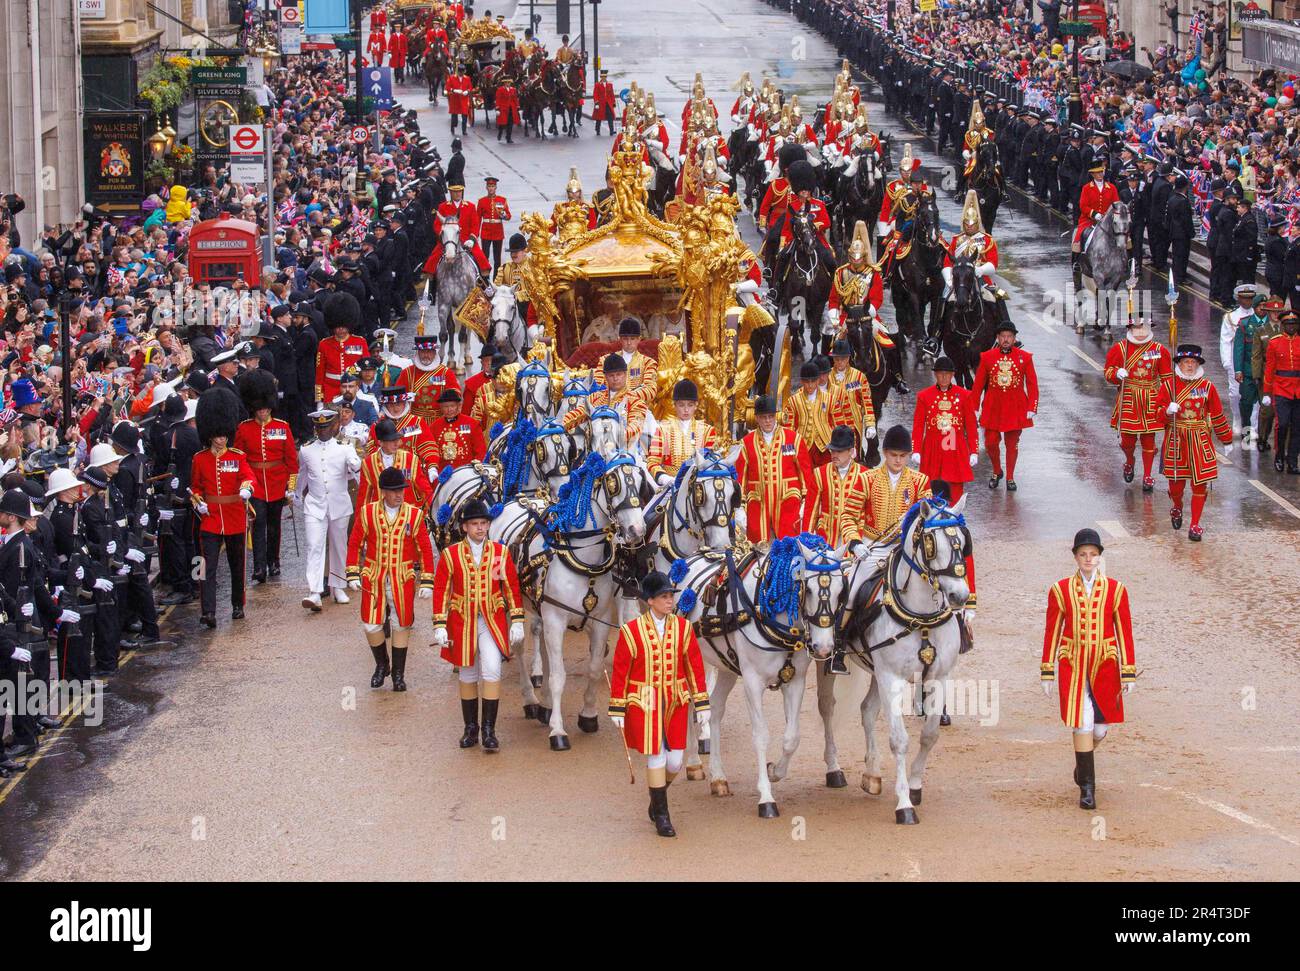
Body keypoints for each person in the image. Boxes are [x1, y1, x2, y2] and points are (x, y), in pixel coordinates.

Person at [607, 570, 709, 838]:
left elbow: (694, 667)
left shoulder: (684, 628)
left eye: (670, 596)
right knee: (656, 755)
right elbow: (621, 671)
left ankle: (656, 798)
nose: (669, 601)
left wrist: (702, 703)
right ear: (650, 600)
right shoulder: (631, 631)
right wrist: (617, 707)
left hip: (675, 698)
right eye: (663, 596)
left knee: (675, 761)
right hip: (645, 701)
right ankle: (663, 816)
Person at [1041, 528, 1136, 811]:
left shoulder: (1117, 590)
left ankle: (1082, 766)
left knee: (1100, 729)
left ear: (1099, 558)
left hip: (1105, 664)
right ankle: (1087, 788)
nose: (1088, 559)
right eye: (1083, 554)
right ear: (1075, 557)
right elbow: (1052, 630)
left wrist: (1128, 670)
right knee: (1081, 722)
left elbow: (1124, 632)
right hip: (1072, 663)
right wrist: (1047, 669)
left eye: (1093, 555)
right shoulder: (1059, 589)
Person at [432, 499, 525, 753]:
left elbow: (510, 587)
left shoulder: (499, 553)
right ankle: (470, 728)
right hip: (461, 622)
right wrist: (439, 624)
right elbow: (442, 590)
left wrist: (516, 619)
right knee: (467, 674)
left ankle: (489, 730)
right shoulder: (451, 554)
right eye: (475, 524)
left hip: (491, 621)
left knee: (493, 670)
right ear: (465, 527)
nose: (481, 528)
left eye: (484, 523)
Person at [346, 466, 436, 692]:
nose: (399, 494)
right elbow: (355, 543)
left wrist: (426, 579)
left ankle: (398, 674)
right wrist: (352, 572)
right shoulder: (368, 513)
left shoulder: (414, 514)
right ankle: (381, 664)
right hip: (374, 575)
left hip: (402, 576)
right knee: (371, 623)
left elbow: (424, 548)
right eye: (394, 491)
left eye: (401, 490)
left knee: (402, 623)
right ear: (383, 491)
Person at [190, 386, 255, 628]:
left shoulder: (237, 456)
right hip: (211, 520)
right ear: (210, 435)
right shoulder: (200, 459)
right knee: (206, 568)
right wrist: (199, 504)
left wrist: (246, 488)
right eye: (218, 435)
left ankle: (238, 604)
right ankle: (208, 611)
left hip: (234, 516)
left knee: (238, 567)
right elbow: (195, 488)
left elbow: (248, 476)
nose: (222, 439)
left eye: (224, 434)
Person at [1155, 344, 1234, 541]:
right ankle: (1177, 506)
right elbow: (1155, 416)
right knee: (1176, 486)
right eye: (1185, 362)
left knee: (1200, 485)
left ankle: (1195, 524)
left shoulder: (1207, 387)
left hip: (1200, 439)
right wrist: (1167, 411)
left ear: (1198, 364)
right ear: (1179, 364)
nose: (1189, 366)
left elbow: (1217, 415)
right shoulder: (1168, 386)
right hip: (1176, 438)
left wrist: (1226, 438)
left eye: (1193, 362)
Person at [234, 369, 298, 584]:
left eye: (265, 409)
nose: (262, 413)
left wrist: (291, 487)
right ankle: (259, 566)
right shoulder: (243, 429)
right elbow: (240, 458)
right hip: (255, 483)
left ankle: (274, 561)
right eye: (259, 409)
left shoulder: (282, 427)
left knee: (274, 525)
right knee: (257, 522)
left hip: (277, 482)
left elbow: (291, 461)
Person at [295, 408, 362, 612]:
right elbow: (302, 475)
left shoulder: (345, 447)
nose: (322, 431)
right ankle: (314, 592)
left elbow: (357, 471)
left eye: (326, 427)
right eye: (319, 427)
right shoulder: (306, 449)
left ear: (334, 426)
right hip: (315, 505)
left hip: (339, 503)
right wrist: (296, 495)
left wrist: (355, 466)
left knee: (339, 545)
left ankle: (338, 586)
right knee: (314, 545)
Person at [1103, 316, 1173, 492]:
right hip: (1129, 397)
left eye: (1144, 329)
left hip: (1150, 398)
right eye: (1137, 329)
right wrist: (1116, 373)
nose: (1141, 333)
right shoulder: (1120, 349)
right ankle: (1129, 460)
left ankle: (1148, 475)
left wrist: (1171, 399)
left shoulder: (1159, 350)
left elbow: (1166, 379)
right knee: (1128, 441)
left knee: (1149, 440)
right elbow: (1108, 372)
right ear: (1130, 329)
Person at [735, 394, 814, 545]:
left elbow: (805, 472)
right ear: (756, 418)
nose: (767, 421)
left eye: (771, 416)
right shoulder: (746, 443)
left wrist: (806, 502)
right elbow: (740, 477)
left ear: (776, 416)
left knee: (790, 545)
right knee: (757, 548)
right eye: (763, 417)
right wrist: (739, 507)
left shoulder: (793, 438)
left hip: (788, 502)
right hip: (758, 503)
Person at [970, 322, 1038, 491]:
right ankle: (996, 470)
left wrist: (1032, 406)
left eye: (1009, 336)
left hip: (1016, 407)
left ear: (1014, 339)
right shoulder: (987, 357)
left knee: (1012, 443)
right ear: (998, 338)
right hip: (993, 406)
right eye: (1003, 336)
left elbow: (1032, 384)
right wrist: (974, 406)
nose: (1006, 340)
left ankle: (1010, 477)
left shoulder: (1025, 357)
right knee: (991, 443)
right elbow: (978, 384)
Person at [912, 357, 978, 503]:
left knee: (955, 491)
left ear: (952, 375)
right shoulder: (924, 396)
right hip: (932, 447)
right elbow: (918, 426)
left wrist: (974, 451)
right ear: (935, 375)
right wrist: (916, 450)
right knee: (929, 490)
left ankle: (953, 520)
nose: (944, 377)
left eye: (947, 374)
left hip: (955, 447)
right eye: (940, 373)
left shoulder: (964, 396)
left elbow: (971, 427)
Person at [862, 424, 932, 542]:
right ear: (885, 452)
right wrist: (855, 542)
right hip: (871, 544)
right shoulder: (867, 479)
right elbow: (850, 515)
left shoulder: (921, 481)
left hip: (905, 545)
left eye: (903, 455)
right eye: (894, 455)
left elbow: (928, 517)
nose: (898, 460)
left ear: (909, 454)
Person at [644, 379, 716, 487]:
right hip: (671, 485)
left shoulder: (707, 431)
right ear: (674, 405)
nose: (686, 410)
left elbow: (711, 462)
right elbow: (652, 461)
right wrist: (665, 479)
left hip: (699, 486)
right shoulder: (663, 430)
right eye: (681, 405)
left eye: (690, 405)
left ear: (696, 405)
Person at [1261, 308, 1300, 474]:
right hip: (1281, 388)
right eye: (1288, 324)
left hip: (1298, 389)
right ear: (1283, 326)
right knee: (1282, 424)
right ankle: (1279, 455)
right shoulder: (1274, 342)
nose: (1291, 327)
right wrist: (1267, 393)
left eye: (1294, 324)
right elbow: (1269, 368)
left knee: (1297, 427)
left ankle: (1292, 461)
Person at [314, 293, 369, 408]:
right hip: (331, 393)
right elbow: (320, 375)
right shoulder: (324, 344)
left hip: (354, 392)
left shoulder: (360, 342)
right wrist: (319, 400)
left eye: (343, 326)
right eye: (337, 326)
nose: (340, 329)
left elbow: (366, 369)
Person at [782, 361, 840, 467]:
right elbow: (788, 429)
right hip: (802, 447)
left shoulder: (830, 398)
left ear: (818, 380)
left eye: (813, 381)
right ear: (801, 381)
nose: (810, 385)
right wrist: (788, 453)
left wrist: (845, 445)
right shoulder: (793, 401)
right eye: (806, 382)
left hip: (825, 447)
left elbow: (839, 424)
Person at [1072, 159, 1118, 292]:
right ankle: (1076, 265)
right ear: (1092, 174)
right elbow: (1083, 205)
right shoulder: (1087, 188)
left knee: (1124, 236)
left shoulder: (1111, 187)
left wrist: (1111, 215)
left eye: (1101, 172)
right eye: (1097, 173)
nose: (1100, 175)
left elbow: (1116, 203)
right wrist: (1094, 214)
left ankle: (1128, 261)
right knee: (1079, 238)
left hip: (1107, 221)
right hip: (1089, 220)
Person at [1219, 284, 1257, 441]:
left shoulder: (1258, 315)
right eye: (1244, 298)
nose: (1247, 302)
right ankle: (1237, 418)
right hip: (1236, 361)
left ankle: (1252, 426)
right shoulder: (1231, 317)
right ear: (1238, 298)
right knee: (1235, 394)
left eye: (1250, 299)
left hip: (1253, 360)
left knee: (1255, 396)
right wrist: (1228, 363)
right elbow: (1225, 340)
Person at [827, 338, 877, 454]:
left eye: (843, 359)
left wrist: (870, 424)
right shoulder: (827, 377)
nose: (839, 362)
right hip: (831, 425)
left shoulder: (859, 377)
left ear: (848, 358)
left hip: (853, 425)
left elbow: (867, 403)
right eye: (837, 359)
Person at [399, 332, 462, 421]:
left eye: (429, 352)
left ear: (434, 352)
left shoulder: (446, 372)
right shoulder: (407, 373)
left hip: (439, 420)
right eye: (422, 352)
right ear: (418, 352)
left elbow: (456, 397)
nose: (426, 355)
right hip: (415, 421)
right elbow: (398, 398)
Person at [426, 387, 486, 473]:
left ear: (458, 406)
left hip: (467, 472)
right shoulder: (434, 427)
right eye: (446, 406)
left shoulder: (472, 424)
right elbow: (430, 451)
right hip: (442, 473)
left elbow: (480, 451)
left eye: (452, 406)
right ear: (441, 408)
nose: (449, 409)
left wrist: (476, 470)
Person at [1164, 173, 1195, 289]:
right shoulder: (1183, 201)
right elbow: (1186, 220)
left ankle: (1177, 275)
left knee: (1177, 255)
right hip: (1182, 234)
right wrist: (1191, 232)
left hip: (1174, 232)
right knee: (1182, 256)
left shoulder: (1172, 198)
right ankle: (1180, 277)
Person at [476, 177, 511, 272]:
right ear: (486, 187)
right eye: (489, 186)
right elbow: (478, 218)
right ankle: (485, 278)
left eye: (493, 186)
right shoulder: (481, 201)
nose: (491, 188)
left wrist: (503, 215)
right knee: (485, 257)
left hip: (497, 231)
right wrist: (476, 234)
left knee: (497, 258)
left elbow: (508, 216)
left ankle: (496, 279)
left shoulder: (502, 200)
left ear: (496, 187)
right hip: (486, 231)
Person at [593, 68, 617, 136]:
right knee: (599, 118)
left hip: (608, 104)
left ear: (606, 77)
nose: (603, 78)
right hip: (600, 103)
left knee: (610, 117)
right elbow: (595, 94)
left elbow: (612, 94)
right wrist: (596, 102)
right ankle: (597, 130)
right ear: (600, 77)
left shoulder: (610, 85)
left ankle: (611, 131)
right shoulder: (597, 85)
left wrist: (614, 102)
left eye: (605, 77)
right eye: (602, 77)